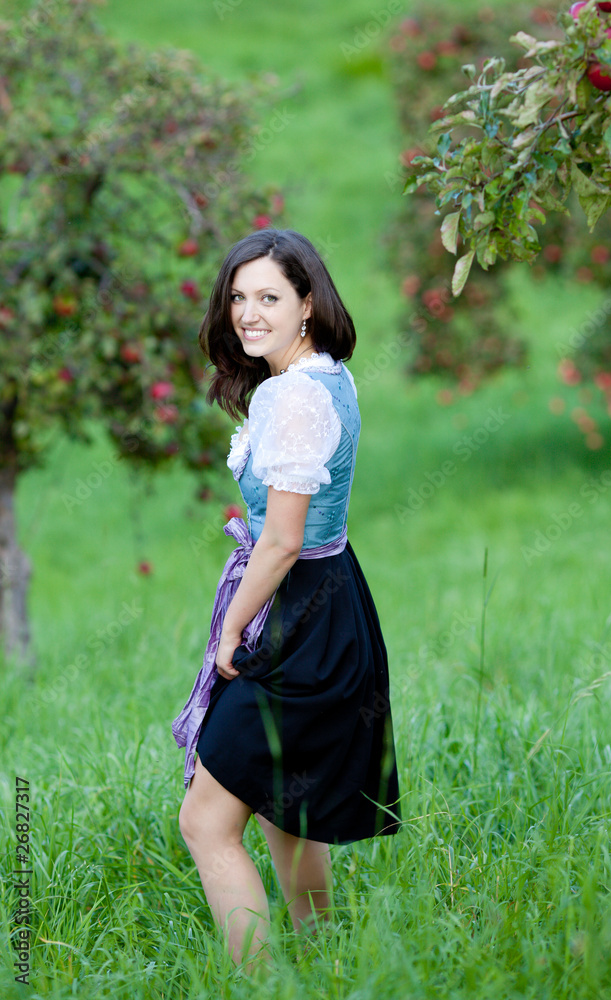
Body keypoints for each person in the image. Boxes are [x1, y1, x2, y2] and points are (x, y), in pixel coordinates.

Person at [172, 228, 401, 971]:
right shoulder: (326, 376)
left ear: (308, 303)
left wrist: (229, 633)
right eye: (238, 297)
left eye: (268, 297)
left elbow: (282, 543)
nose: (247, 312)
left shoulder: (296, 398)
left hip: (298, 616)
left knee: (206, 820)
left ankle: (260, 982)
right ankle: (324, 966)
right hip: (330, 603)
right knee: (283, 801)